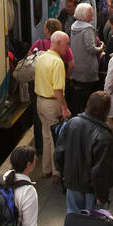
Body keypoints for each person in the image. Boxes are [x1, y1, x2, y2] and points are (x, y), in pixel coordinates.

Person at [54, 91, 113, 215]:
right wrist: (102, 195)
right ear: (106, 110)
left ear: (88, 104)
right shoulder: (105, 136)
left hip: (72, 183)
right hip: (91, 190)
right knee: (92, 223)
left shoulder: (72, 123)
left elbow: (59, 153)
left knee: (73, 216)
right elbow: (101, 170)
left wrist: (64, 174)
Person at [34, 31, 72, 179]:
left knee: (46, 136)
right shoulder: (57, 62)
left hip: (40, 102)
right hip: (51, 103)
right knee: (56, 137)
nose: (68, 48)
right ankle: (57, 172)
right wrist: (64, 108)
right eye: (66, 44)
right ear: (57, 43)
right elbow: (57, 90)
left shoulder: (42, 58)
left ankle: (46, 169)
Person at [67, 2, 104, 114]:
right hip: (87, 67)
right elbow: (91, 48)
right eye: (90, 14)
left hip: (76, 66)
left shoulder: (74, 26)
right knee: (86, 95)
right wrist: (101, 47)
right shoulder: (88, 29)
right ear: (84, 15)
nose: (92, 17)